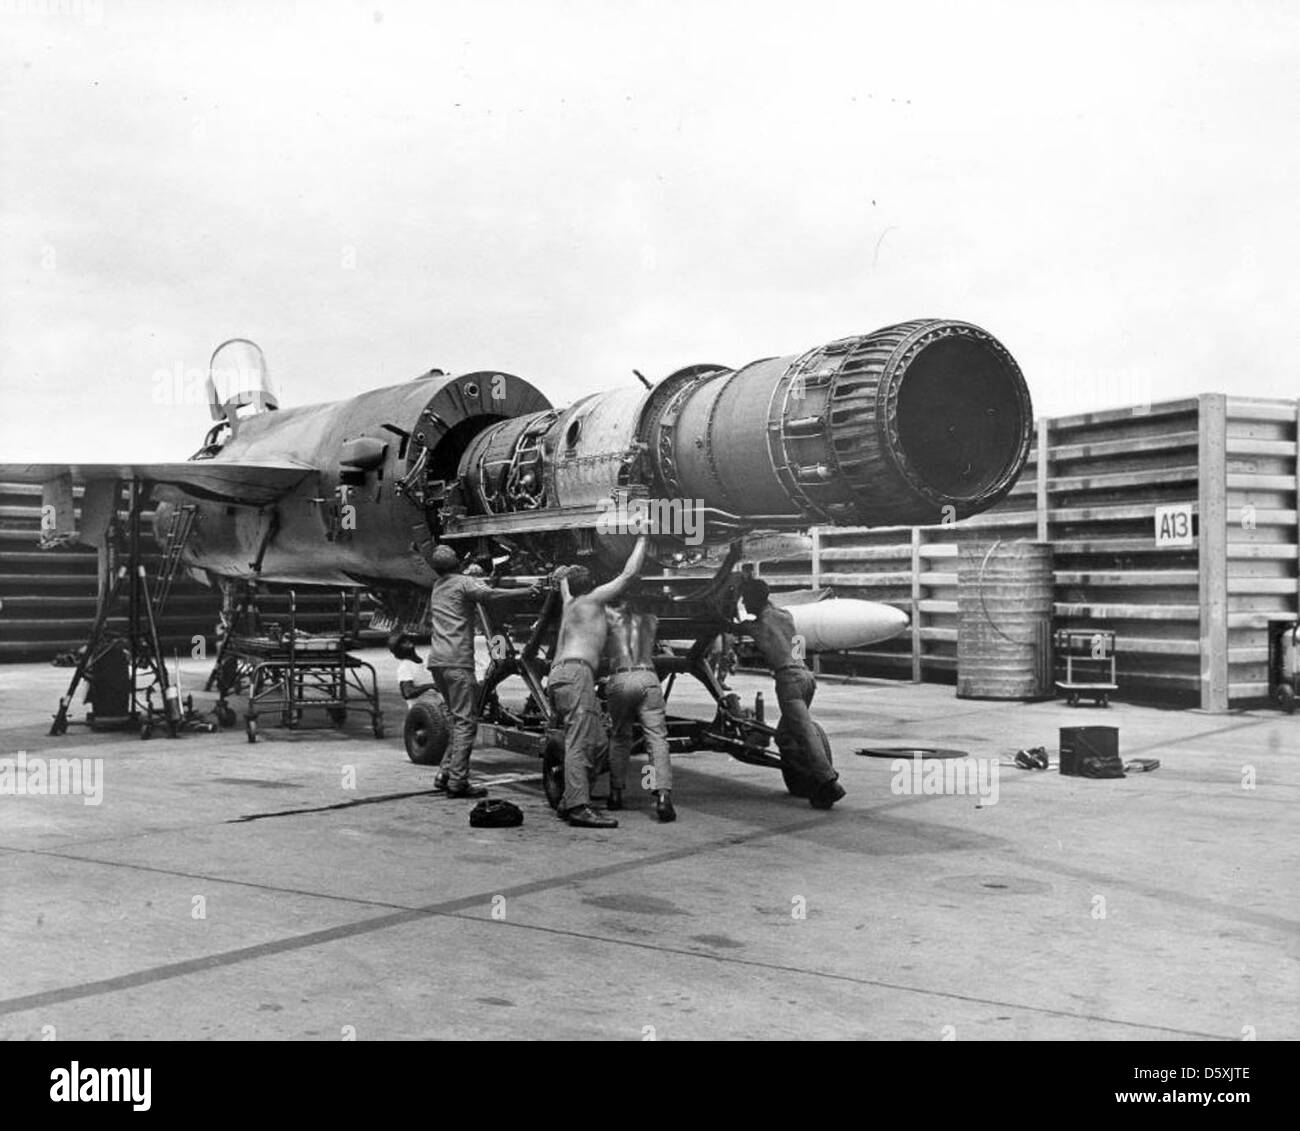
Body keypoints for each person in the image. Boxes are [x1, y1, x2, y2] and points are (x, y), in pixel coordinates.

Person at [549, 534, 647, 828]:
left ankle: (571, 796)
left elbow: (563, 583)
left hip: (560, 675)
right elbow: (628, 575)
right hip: (575, 673)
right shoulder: (592, 600)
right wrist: (643, 538)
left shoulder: (569, 602)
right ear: (591, 584)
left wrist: (561, 573)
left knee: (600, 743)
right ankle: (578, 806)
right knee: (581, 741)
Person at [426, 544, 539, 798]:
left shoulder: (438, 586)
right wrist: (527, 591)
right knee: (466, 723)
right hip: (457, 663)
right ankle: (458, 782)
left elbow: (473, 589)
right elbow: (491, 595)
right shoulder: (464, 583)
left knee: (457, 720)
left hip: (438, 663)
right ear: (458, 564)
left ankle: (445, 773)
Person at [735, 577, 845, 809]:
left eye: (745, 599)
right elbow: (796, 644)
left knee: (805, 732)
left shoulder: (757, 626)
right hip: (806, 677)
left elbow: (729, 626)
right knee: (785, 735)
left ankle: (828, 782)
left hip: (788, 682)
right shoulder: (786, 616)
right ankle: (803, 776)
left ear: (754, 599)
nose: (744, 603)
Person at [604, 596, 675, 821]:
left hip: (621, 676)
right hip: (648, 676)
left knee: (620, 737)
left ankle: (616, 793)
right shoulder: (651, 619)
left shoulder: (610, 617)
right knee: (656, 739)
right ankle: (662, 796)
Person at [389, 631, 436, 709]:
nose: (408, 642)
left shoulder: (423, 660)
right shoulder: (405, 667)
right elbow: (408, 692)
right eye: (403, 643)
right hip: (423, 709)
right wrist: (430, 686)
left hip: (436, 702)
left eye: (407, 640)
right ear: (398, 649)